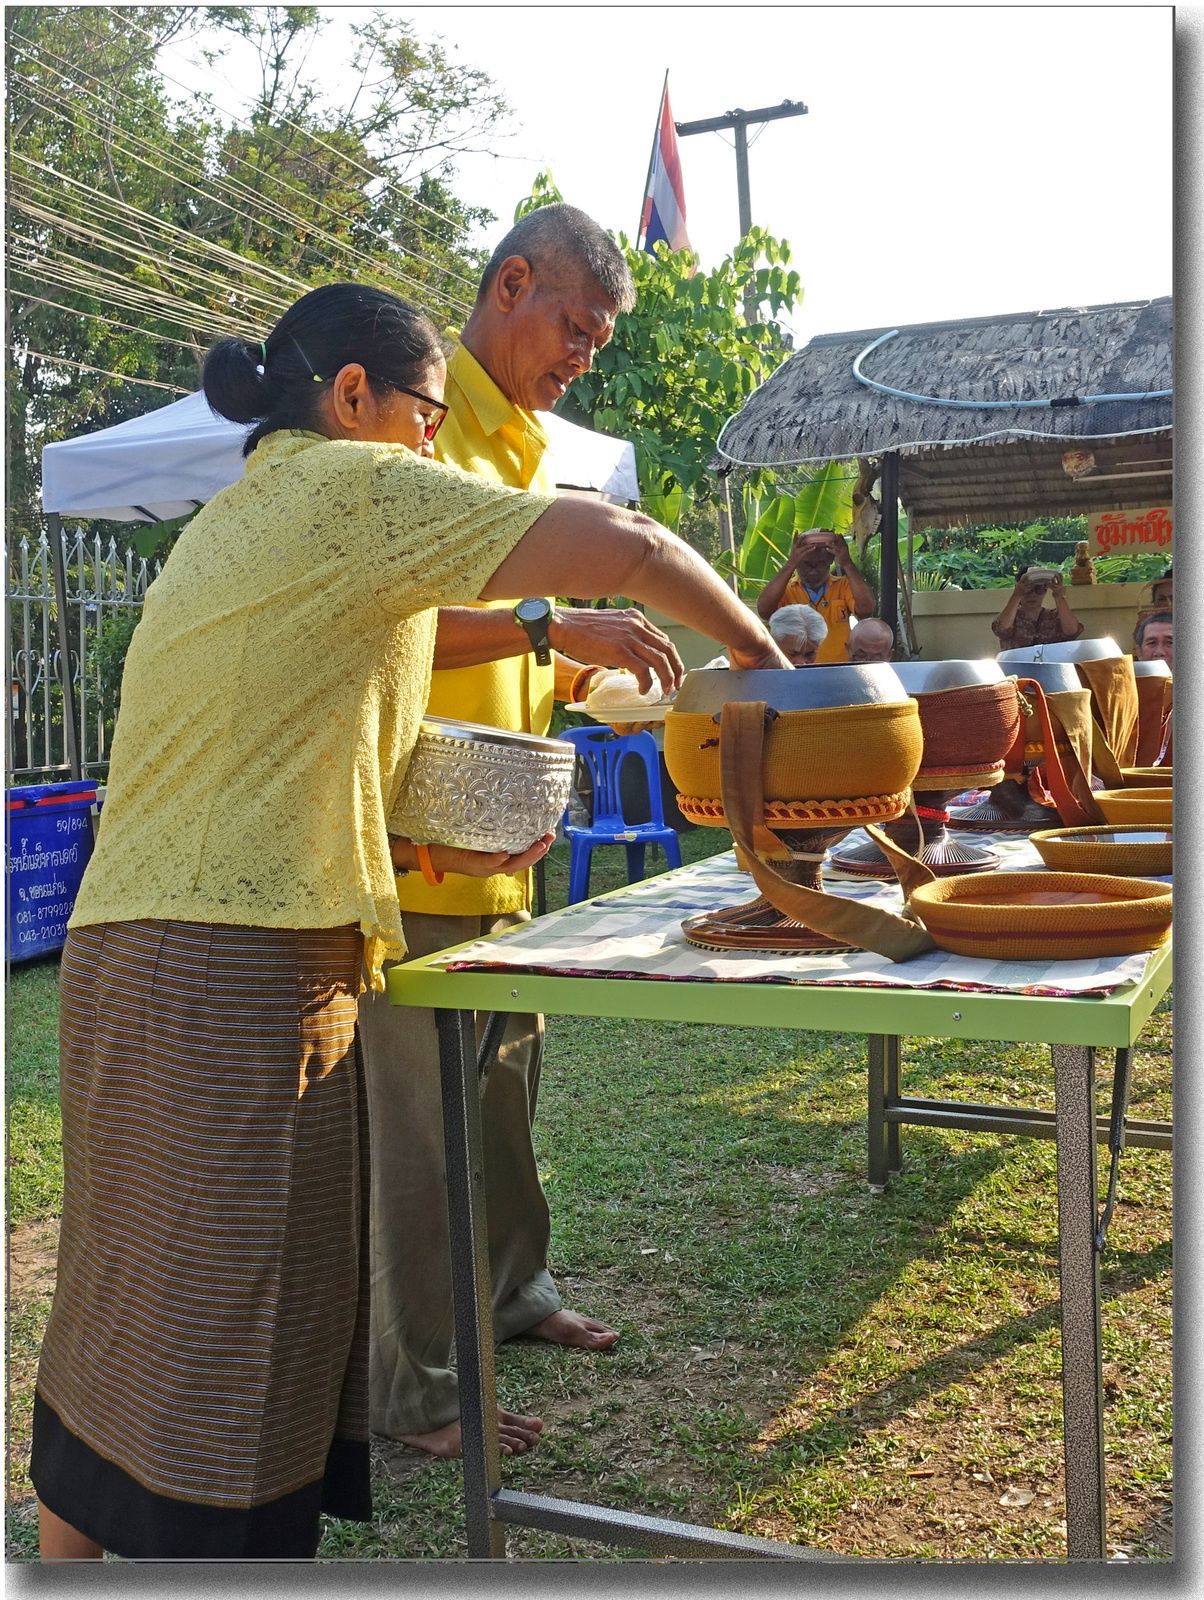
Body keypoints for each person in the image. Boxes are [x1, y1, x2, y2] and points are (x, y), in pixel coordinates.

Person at [30, 282, 791, 1562]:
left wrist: (442, 845)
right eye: (426, 417)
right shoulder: (349, 489)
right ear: (351, 399)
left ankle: (64, 1563)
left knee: (125, 1296)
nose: (434, 448)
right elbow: (633, 546)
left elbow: (279, 763)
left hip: (123, 955)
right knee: (242, 1327)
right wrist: (774, 662)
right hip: (238, 977)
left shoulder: (236, 522)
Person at [356, 206, 692, 1463]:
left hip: (509, 841)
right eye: (574, 327)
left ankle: (514, 1293)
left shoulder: (533, 451)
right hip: (414, 845)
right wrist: (555, 625)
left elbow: (507, 646)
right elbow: (401, 621)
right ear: (510, 286)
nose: (581, 356)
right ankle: (418, 1384)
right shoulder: (419, 427)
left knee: (505, 1086)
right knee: (418, 1128)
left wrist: (570, 672)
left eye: (598, 340)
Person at [755, 527, 876, 664]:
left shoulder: (843, 586)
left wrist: (847, 563)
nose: (813, 570)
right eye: (807, 564)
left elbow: (866, 610)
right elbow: (764, 610)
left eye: (820, 564)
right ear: (798, 563)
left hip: (837, 671)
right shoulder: (786, 590)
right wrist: (791, 563)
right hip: (797, 671)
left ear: (830, 561)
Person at [990, 566, 1083, 650]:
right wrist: (1017, 595)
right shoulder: (1011, 618)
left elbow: (1072, 631)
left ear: (1045, 590)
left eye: (1038, 589)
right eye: (1028, 589)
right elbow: (1000, 629)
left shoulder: (1054, 616)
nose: (1033, 594)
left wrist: (1059, 597)